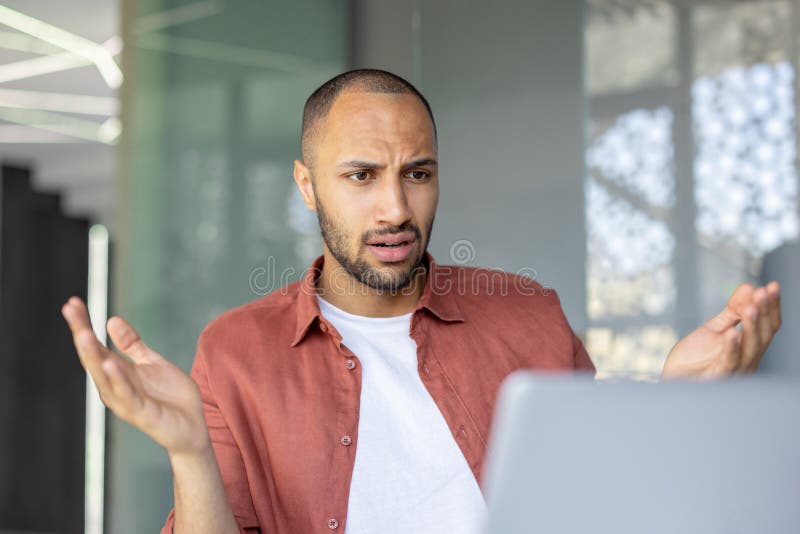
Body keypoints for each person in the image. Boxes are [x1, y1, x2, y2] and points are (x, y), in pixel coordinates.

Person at [61, 69, 782, 534]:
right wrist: (189, 453)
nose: (395, 208)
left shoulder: (528, 314)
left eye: (418, 173)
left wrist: (680, 397)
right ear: (308, 186)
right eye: (361, 175)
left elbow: (606, 509)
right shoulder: (237, 351)